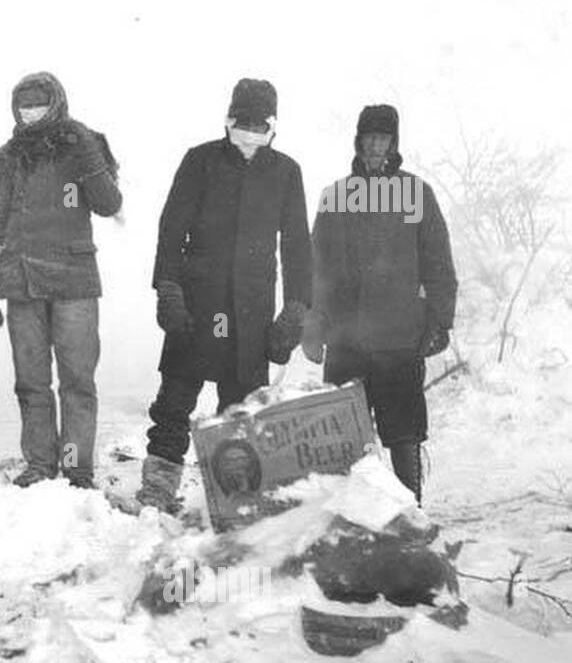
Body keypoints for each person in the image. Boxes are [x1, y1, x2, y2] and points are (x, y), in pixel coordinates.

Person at [137, 78, 312, 515]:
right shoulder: (200, 161)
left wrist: (295, 310)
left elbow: (296, 247)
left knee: (240, 411)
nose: (250, 130)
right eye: (243, 120)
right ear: (229, 119)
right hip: (198, 302)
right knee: (175, 399)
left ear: (274, 124)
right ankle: (158, 488)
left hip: (251, 308)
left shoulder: (286, 172)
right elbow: (171, 229)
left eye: (260, 122)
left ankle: (235, 498)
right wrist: (168, 287)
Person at [0, 72, 122, 489]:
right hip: (22, 284)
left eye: (38, 103)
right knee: (31, 382)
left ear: (56, 102)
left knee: (77, 381)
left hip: (74, 282)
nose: (30, 111)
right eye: (23, 105)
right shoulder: (9, 157)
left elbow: (109, 205)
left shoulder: (83, 144)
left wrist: (90, 155)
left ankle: (76, 469)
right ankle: (39, 465)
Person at [304, 104, 457, 503]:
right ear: (357, 141)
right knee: (342, 436)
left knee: (403, 432)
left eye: (383, 138)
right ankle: (347, 519)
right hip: (345, 338)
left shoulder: (414, 192)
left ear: (394, 143)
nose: (375, 146)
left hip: (398, 337)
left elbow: (437, 260)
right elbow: (315, 266)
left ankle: (411, 512)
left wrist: (440, 319)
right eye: (368, 138)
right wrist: (313, 326)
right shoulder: (336, 195)